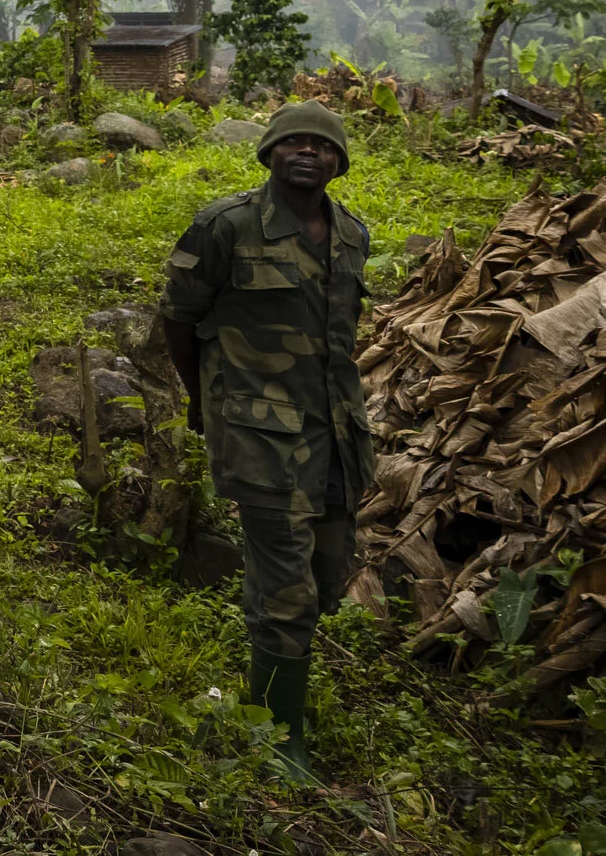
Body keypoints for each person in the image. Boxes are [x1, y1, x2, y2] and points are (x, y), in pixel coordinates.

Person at [162, 100, 373, 785]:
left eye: (322, 143)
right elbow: (179, 319)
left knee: (326, 577)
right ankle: (278, 734)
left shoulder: (351, 235)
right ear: (269, 154)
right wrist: (206, 404)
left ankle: (269, 688)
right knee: (286, 592)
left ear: (339, 160)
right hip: (261, 437)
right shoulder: (226, 226)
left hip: (337, 436)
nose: (307, 152)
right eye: (293, 142)